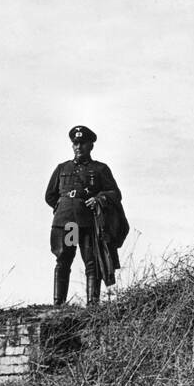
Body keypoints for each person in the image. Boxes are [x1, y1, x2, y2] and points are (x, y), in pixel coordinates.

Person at [45, 125, 126, 306]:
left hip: (88, 224)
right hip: (69, 225)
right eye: (75, 143)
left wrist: (99, 199)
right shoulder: (62, 168)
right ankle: (58, 304)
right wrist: (59, 205)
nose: (78, 147)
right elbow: (50, 195)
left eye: (82, 143)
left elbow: (115, 193)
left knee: (91, 262)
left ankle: (92, 304)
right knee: (64, 258)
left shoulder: (100, 169)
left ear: (91, 146)